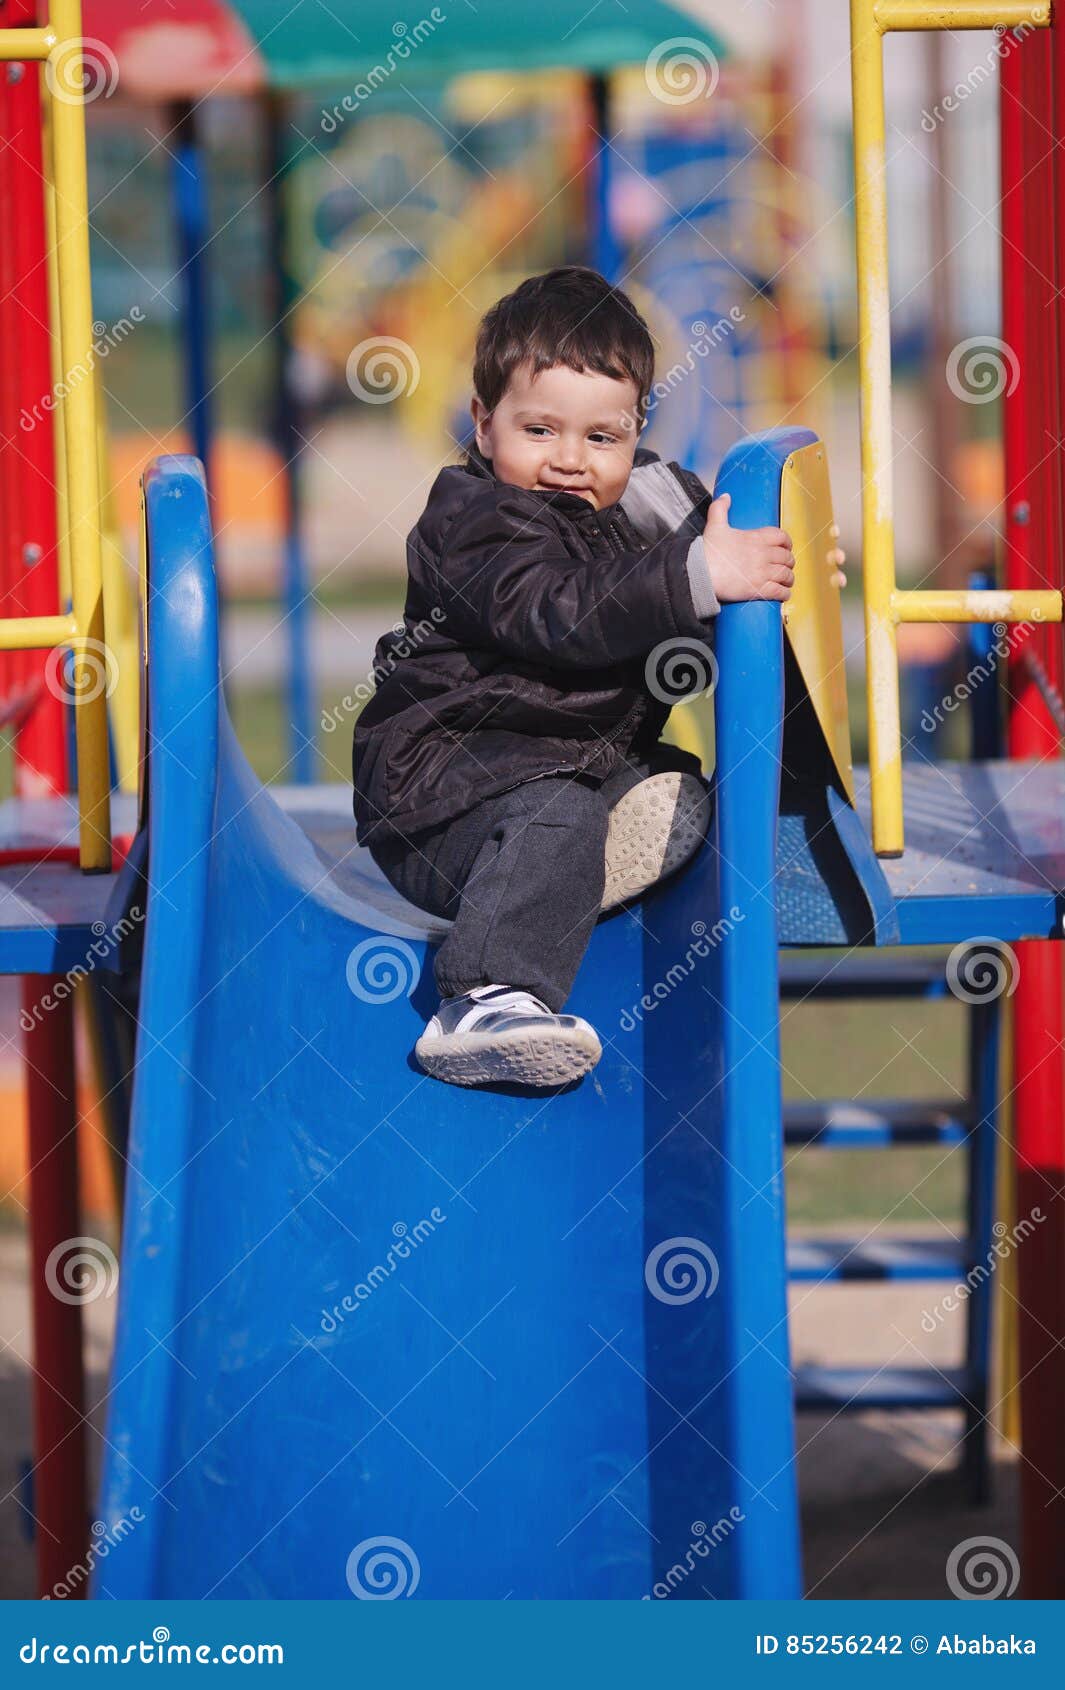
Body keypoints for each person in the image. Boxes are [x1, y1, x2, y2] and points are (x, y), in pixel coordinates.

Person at [353, 266, 796, 1088]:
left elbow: (695, 568)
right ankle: (486, 997)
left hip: (556, 764)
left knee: (665, 788)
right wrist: (698, 574)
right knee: (555, 816)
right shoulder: (475, 525)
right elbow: (561, 609)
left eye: (601, 439)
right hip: (438, 801)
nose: (568, 461)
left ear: (634, 434)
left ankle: (589, 848)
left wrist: (759, 571)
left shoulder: (643, 508)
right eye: (539, 430)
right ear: (484, 426)